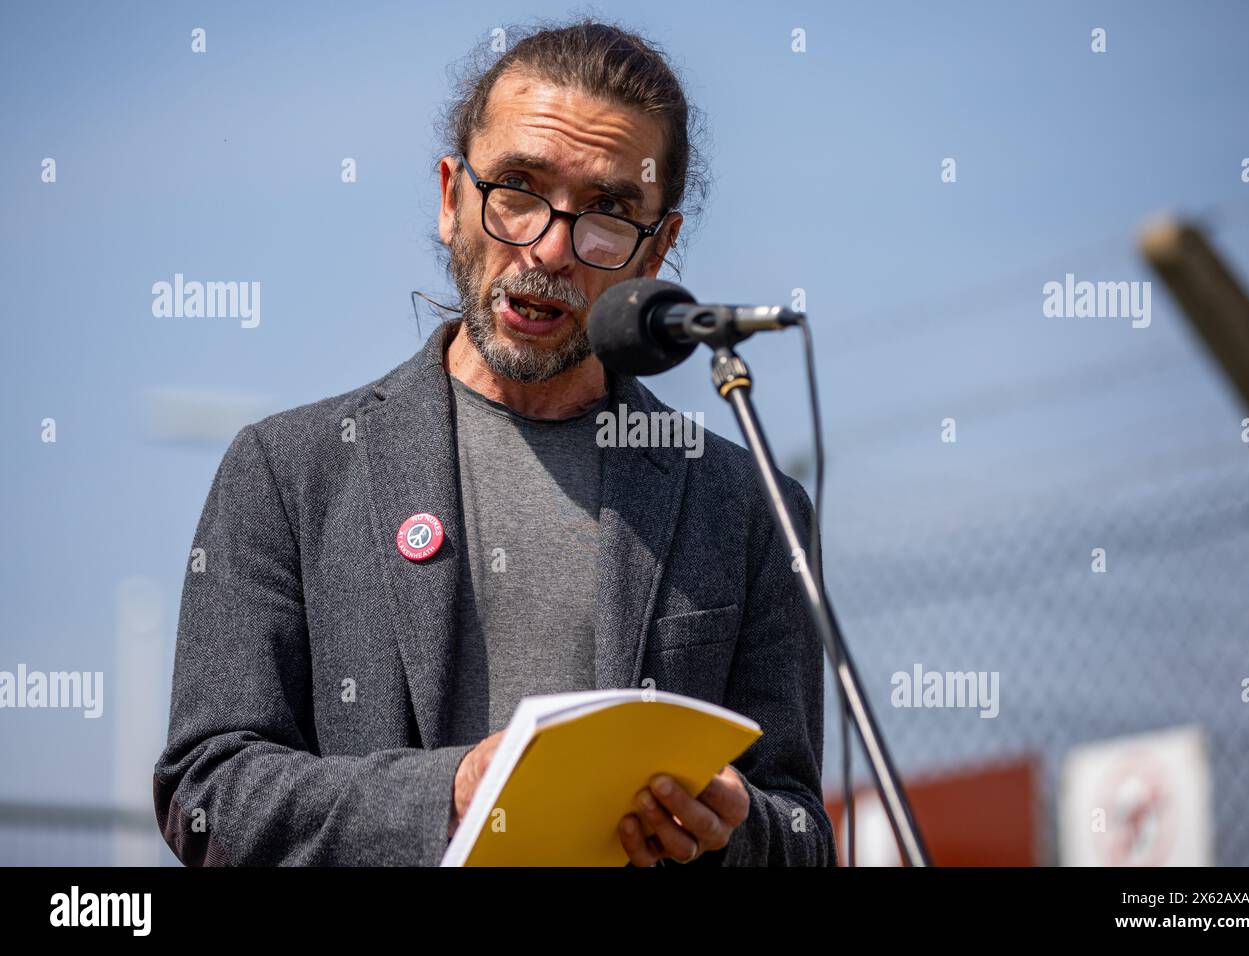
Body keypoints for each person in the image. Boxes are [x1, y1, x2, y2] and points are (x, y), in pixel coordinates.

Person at [153, 18, 834, 867]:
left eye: (609, 215)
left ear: (658, 251)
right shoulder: (289, 474)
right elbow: (207, 794)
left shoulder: (749, 506)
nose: (550, 249)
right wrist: (451, 793)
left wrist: (735, 834)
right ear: (451, 199)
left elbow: (802, 831)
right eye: (517, 187)